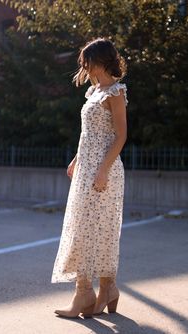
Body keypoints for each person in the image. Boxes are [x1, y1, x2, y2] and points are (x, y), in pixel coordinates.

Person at [51, 37, 128, 318]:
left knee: (98, 229)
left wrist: (103, 169)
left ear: (101, 60)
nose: (83, 65)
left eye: (87, 60)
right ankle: (101, 290)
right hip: (87, 167)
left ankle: (89, 293)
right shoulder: (93, 91)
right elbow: (89, 133)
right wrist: (76, 158)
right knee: (83, 228)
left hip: (103, 170)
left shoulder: (115, 92)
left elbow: (121, 135)